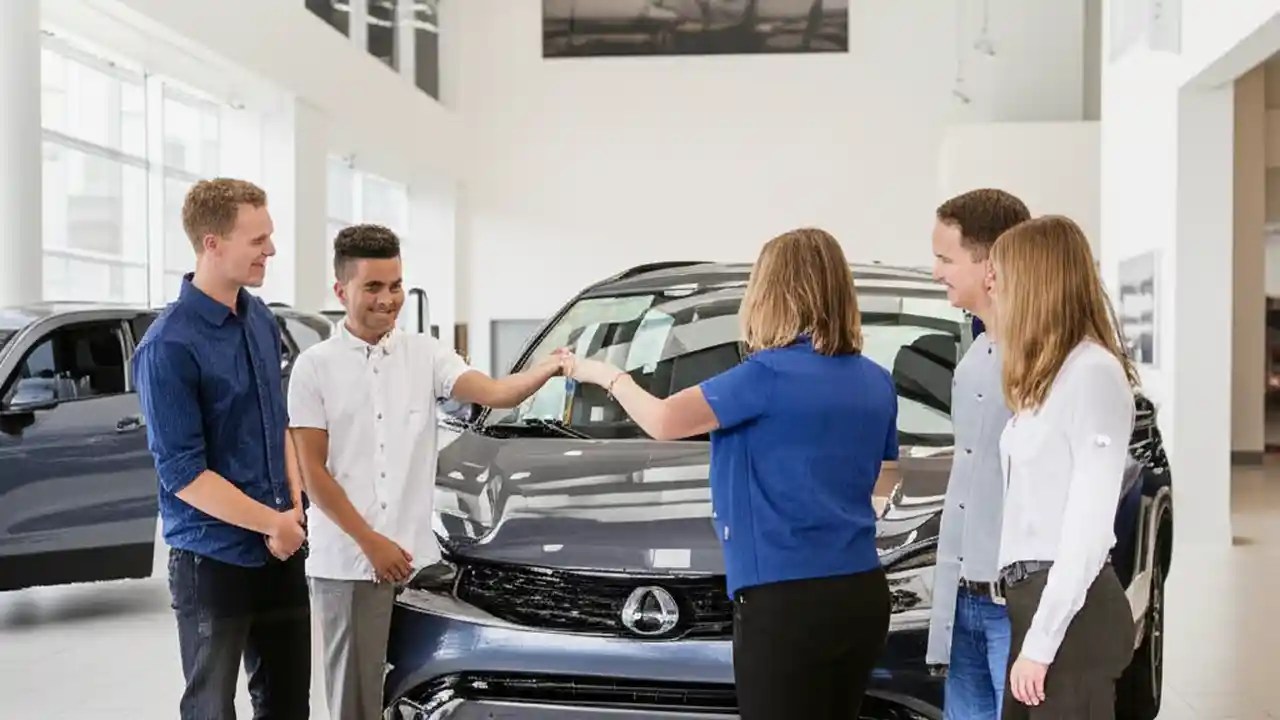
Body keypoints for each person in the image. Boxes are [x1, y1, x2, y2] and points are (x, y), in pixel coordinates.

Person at [564, 228, 897, 720]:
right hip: (861, 594)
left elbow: (662, 422)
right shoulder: (876, 380)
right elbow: (882, 481)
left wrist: (604, 375)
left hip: (785, 602)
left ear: (770, 294)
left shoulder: (765, 376)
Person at [286, 224, 570, 720]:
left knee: (420, 700)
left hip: (419, 564)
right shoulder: (314, 368)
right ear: (340, 290)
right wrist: (370, 542)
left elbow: (495, 393)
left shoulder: (426, 353)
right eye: (372, 287)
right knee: (356, 707)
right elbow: (313, 473)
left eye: (395, 285)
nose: (388, 299)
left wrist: (544, 369)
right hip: (349, 567)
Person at [133, 178, 311, 719]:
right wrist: (272, 523)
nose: (271, 251)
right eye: (258, 240)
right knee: (212, 707)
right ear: (212, 243)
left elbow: (278, 421)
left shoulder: (259, 318)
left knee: (286, 704)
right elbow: (184, 473)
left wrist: (294, 508)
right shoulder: (167, 345)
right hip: (211, 558)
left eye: (270, 236)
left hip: (279, 545)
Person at [988, 215, 1138, 718]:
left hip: (1070, 617)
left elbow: (1087, 531)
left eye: (1002, 279)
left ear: (1035, 285)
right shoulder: (1047, 375)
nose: (995, 290)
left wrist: (1042, 643)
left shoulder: (1092, 374)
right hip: (1036, 606)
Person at [926, 188, 1031, 718]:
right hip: (966, 594)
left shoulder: (1041, 357)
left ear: (989, 263)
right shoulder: (978, 346)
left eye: (946, 259)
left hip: (1010, 604)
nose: (937, 272)